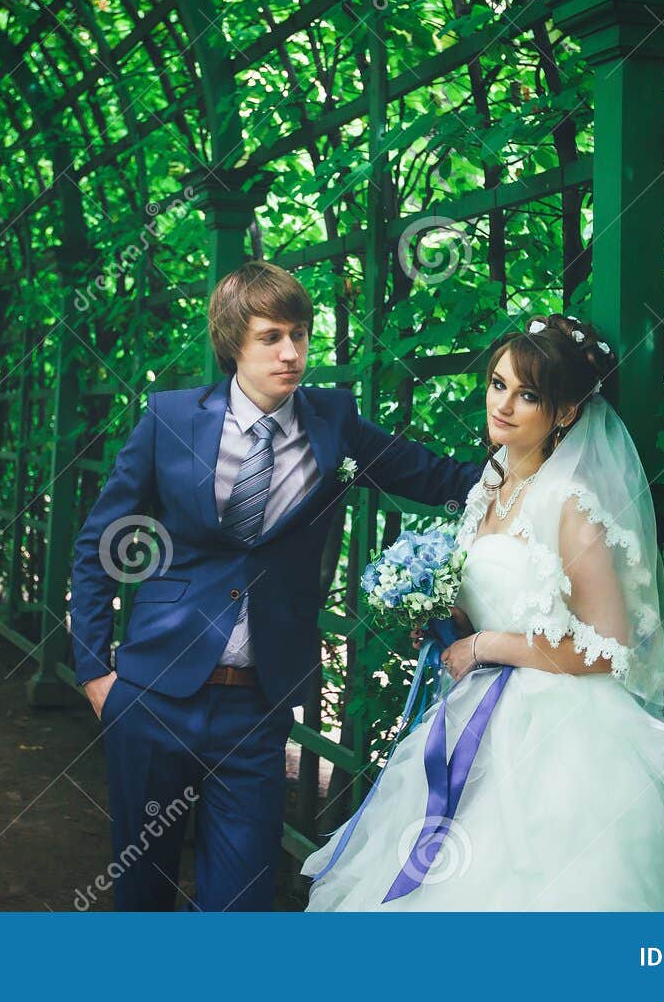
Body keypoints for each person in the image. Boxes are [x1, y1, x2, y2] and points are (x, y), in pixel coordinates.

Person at [69, 260, 481, 911]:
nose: (291, 353)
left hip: (256, 711)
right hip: (153, 696)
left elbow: (435, 477)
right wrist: (95, 672)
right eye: (271, 337)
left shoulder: (334, 423)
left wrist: (537, 459)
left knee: (242, 902)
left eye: (299, 334)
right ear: (233, 342)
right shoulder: (170, 419)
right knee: (143, 894)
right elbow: (100, 543)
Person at [300, 313, 664, 910]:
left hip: (556, 730)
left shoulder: (571, 503)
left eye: (528, 395)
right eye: (497, 384)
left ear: (566, 413)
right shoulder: (491, 485)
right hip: (476, 710)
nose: (503, 405)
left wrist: (486, 647)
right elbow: (500, 597)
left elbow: (608, 647)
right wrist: (449, 620)